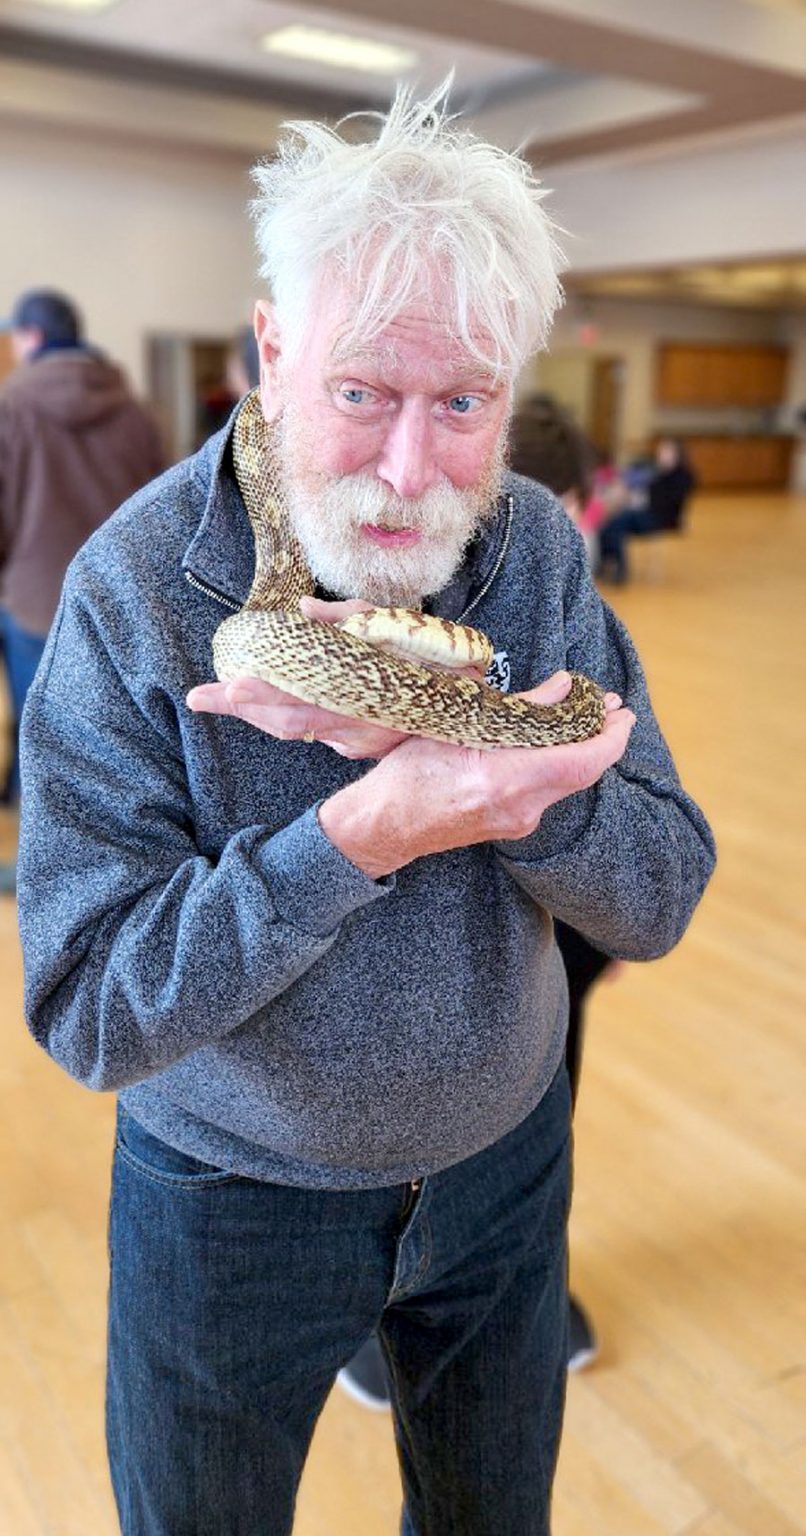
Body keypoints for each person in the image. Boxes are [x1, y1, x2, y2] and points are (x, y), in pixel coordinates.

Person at [17, 85, 715, 1536]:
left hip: (504, 1169)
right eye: (359, 393)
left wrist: (508, 786)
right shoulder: (139, 589)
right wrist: (367, 830)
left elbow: (659, 888)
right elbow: (87, 1005)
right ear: (270, 353)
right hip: (226, 1203)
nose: (410, 473)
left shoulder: (528, 553)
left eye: (461, 404)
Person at [338, 396, 617, 1411]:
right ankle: (387, 1316)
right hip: (475, 952)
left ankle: (496, 1295)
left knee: (526, 1090)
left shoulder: (569, 609)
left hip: (550, 931)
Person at [0, 289, 164, 831]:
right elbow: (162, 509)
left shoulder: (10, 404)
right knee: (116, 750)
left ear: (32, 338)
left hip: (34, 604)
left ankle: (40, 871)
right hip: (123, 609)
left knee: (40, 739)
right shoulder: (134, 409)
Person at [597, 436, 696, 583]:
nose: (661, 454)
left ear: (677, 454)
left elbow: (665, 502)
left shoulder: (683, 476)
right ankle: (606, 562)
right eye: (661, 451)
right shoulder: (658, 471)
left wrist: (642, 497)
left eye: (666, 451)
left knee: (618, 521)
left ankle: (621, 569)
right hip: (647, 512)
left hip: (661, 517)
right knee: (608, 521)